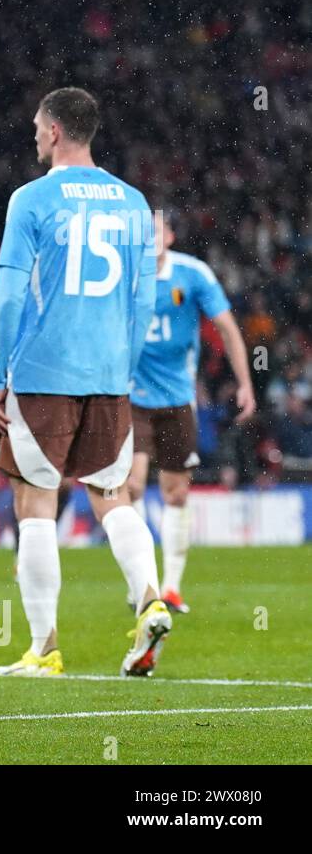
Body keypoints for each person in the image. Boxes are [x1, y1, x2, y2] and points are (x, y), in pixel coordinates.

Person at [0, 87, 169, 679]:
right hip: (111, 374)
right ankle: (151, 598)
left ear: (57, 130)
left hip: (44, 373)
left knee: (34, 501)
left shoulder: (31, 199)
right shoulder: (135, 203)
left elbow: (9, 292)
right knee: (112, 495)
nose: (35, 135)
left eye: (38, 126)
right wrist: (126, 364)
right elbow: (144, 299)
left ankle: (45, 649)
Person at [127, 211, 256, 612]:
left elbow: (228, 327)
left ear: (170, 235)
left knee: (176, 492)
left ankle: (171, 588)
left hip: (178, 398)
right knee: (131, 486)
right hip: (129, 394)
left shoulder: (193, 274)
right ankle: (140, 586)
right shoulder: (121, 274)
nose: (149, 238)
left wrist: (246, 381)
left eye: (156, 230)